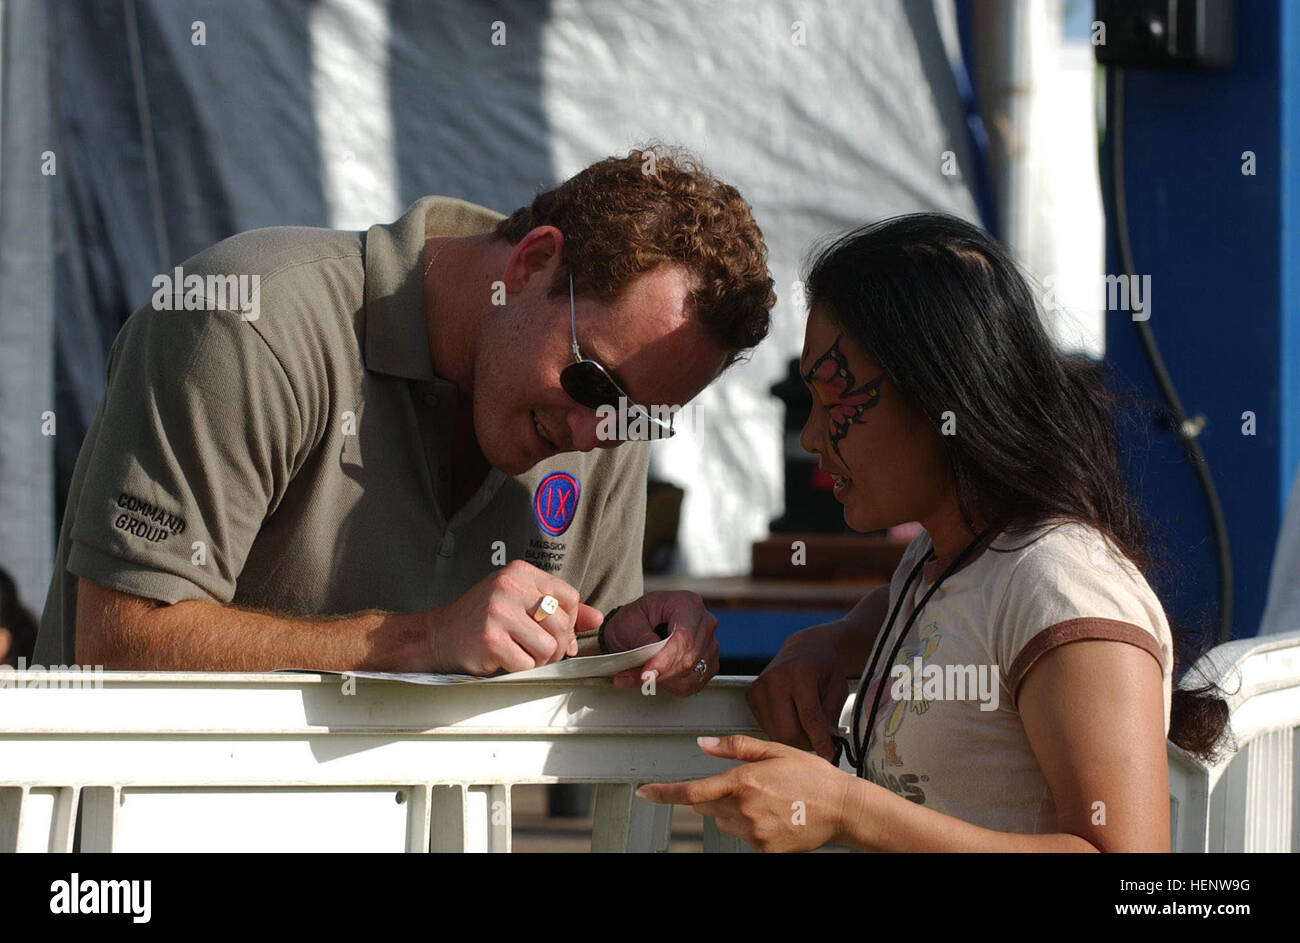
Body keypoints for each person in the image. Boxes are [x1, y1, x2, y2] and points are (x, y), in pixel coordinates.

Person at [36, 147, 776, 694]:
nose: (594, 434)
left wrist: (623, 644)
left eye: (635, 419)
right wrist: (418, 639)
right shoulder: (246, 320)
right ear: (531, 264)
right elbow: (118, 643)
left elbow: (562, 663)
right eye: (593, 382)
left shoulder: (601, 417)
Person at [638, 214, 1228, 849]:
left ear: (941, 395)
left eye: (837, 402)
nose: (811, 438)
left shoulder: (1064, 586)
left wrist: (845, 807)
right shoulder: (949, 555)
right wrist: (827, 644)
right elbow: (918, 616)